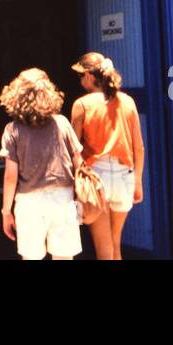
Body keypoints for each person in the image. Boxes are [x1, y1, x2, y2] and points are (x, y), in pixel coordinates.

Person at [0, 68, 83, 261]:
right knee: (63, 256)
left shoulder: (12, 130)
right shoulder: (62, 123)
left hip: (29, 202)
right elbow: (79, 161)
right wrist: (82, 198)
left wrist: (6, 212)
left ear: (17, 94)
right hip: (63, 197)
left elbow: (10, 177)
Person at [70, 52, 144, 260]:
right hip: (124, 176)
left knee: (104, 250)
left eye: (81, 75)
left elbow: (74, 149)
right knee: (115, 245)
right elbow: (138, 147)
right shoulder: (127, 102)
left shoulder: (82, 104)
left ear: (90, 76)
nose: (80, 79)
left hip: (96, 178)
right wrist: (137, 181)